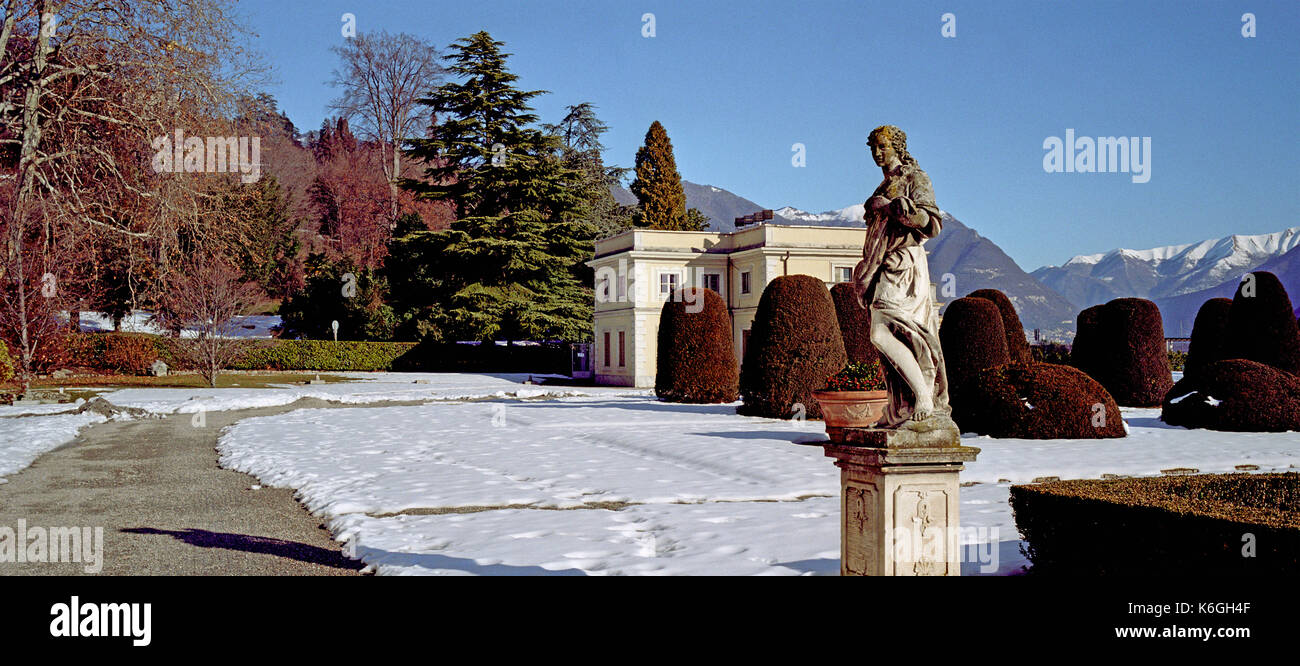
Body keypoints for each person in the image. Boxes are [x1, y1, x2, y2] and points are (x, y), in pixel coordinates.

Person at [852, 125, 951, 428]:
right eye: (873, 148)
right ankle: (900, 406)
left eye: (882, 146)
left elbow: (930, 222)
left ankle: (923, 397)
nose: (877, 153)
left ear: (898, 147)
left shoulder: (914, 178)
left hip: (903, 265)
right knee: (890, 339)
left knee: (881, 332)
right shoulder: (883, 186)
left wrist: (896, 209)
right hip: (882, 265)